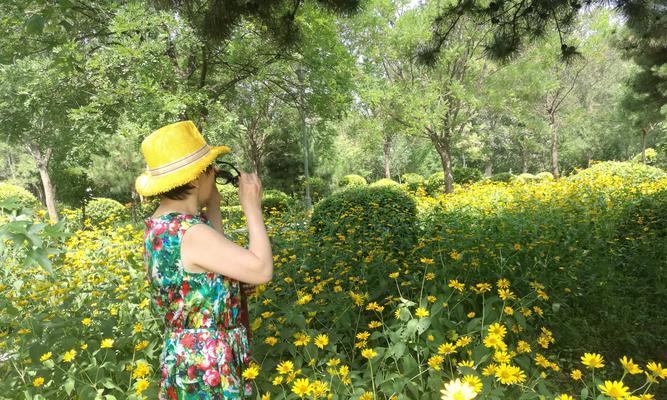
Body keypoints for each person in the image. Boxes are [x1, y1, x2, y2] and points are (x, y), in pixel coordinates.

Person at [134, 120, 273, 399]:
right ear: (197, 177)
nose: (216, 175)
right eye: (212, 169)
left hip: (188, 358)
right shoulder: (191, 233)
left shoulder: (163, 226)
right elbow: (260, 269)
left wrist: (213, 207)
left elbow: (212, 267)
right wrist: (251, 207)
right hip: (208, 364)